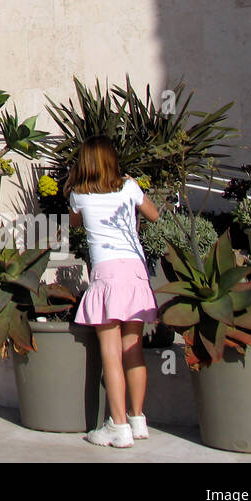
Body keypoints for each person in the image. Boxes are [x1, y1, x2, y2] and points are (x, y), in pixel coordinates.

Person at [66, 135, 161, 448]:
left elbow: (75, 223)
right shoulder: (129, 187)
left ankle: (117, 426)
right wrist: (132, 188)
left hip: (107, 273)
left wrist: (72, 185)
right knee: (133, 348)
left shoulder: (79, 194)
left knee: (111, 351)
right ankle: (137, 419)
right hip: (135, 271)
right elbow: (154, 214)